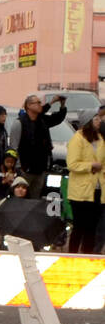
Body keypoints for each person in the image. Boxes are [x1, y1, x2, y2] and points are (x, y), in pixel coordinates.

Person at [14, 92, 67, 198]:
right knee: (21, 198)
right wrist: (19, 167)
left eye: (40, 102)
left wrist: (62, 105)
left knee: (35, 198)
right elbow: (14, 146)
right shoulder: (20, 122)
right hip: (26, 169)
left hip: (40, 168)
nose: (40, 105)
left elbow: (58, 118)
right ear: (28, 105)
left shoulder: (42, 120)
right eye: (37, 102)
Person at [65, 111, 104, 254]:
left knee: (92, 227)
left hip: (97, 189)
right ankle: (73, 255)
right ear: (88, 121)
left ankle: (87, 254)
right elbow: (72, 164)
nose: (99, 121)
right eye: (96, 118)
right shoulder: (77, 139)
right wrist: (91, 166)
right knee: (80, 226)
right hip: (81, 192)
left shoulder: (99, 139)